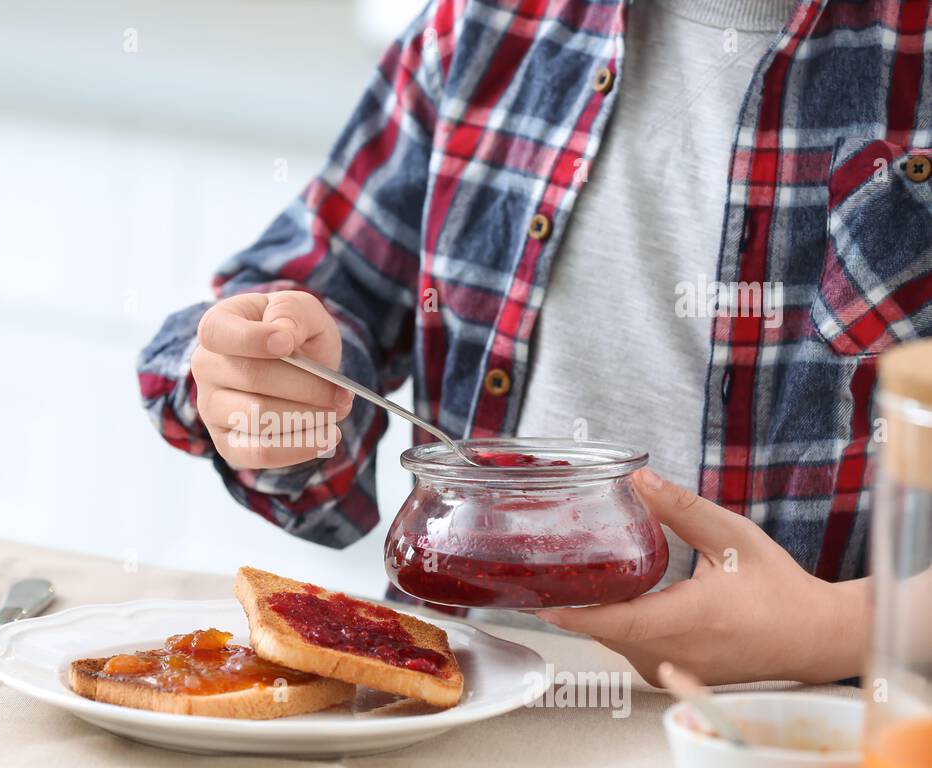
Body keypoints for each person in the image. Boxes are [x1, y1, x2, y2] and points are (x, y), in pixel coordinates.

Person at [138, 0, 930, 685]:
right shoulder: (486, 24)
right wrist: (266, 378)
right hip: (451, 696)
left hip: (819, 746)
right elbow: (309, 296)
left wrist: (837, 628)